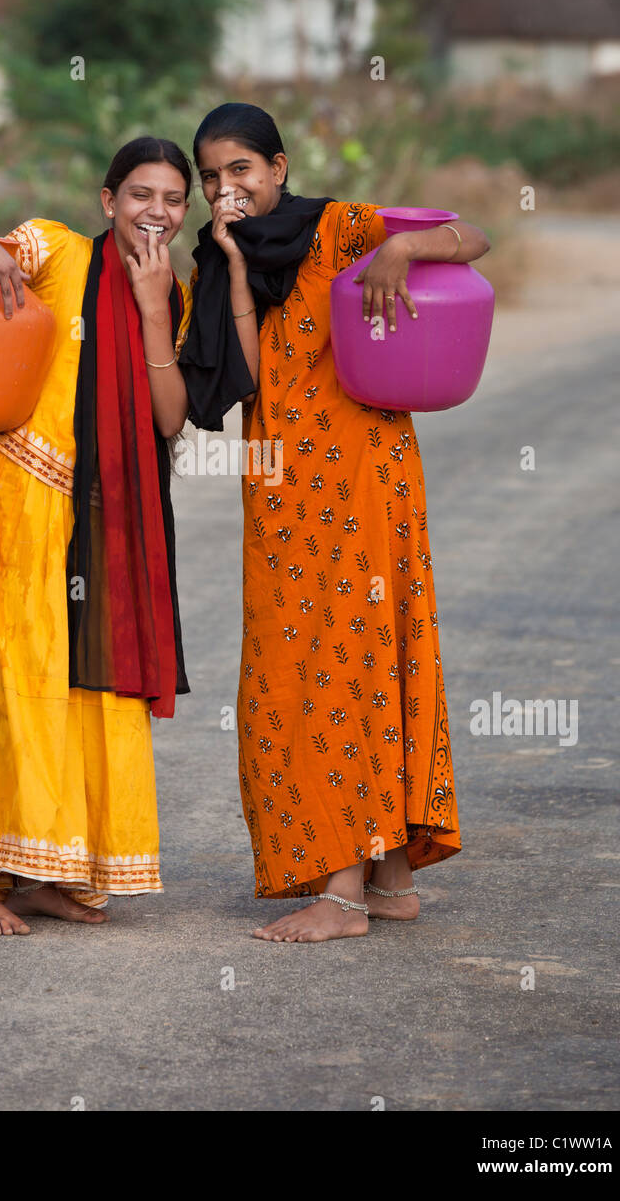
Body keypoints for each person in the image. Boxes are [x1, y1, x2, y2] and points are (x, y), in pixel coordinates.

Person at [180, 102, 491, 943]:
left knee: (348, 660)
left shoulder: (342, 229)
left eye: (240, 169)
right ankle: (389, 878)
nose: (226, 188)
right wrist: (236, 272)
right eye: (211, 177)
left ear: (279, 168)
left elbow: (470, 237)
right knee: (302, 668)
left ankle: (342, 893)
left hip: (368, 477)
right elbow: (235, 382)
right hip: (280, 486)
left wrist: (401, 246)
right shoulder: (222, 257)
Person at [0, 137, 193, 935]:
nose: (158, 212)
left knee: (89, 694)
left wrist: (149, 309)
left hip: (117, 516)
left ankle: (44, 874)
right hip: (25, 494)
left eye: (174, 199)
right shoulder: (53, 248)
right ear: (109, 202)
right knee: (14, 678)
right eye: (142, 195)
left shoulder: (183, 284)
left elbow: (171, 417)